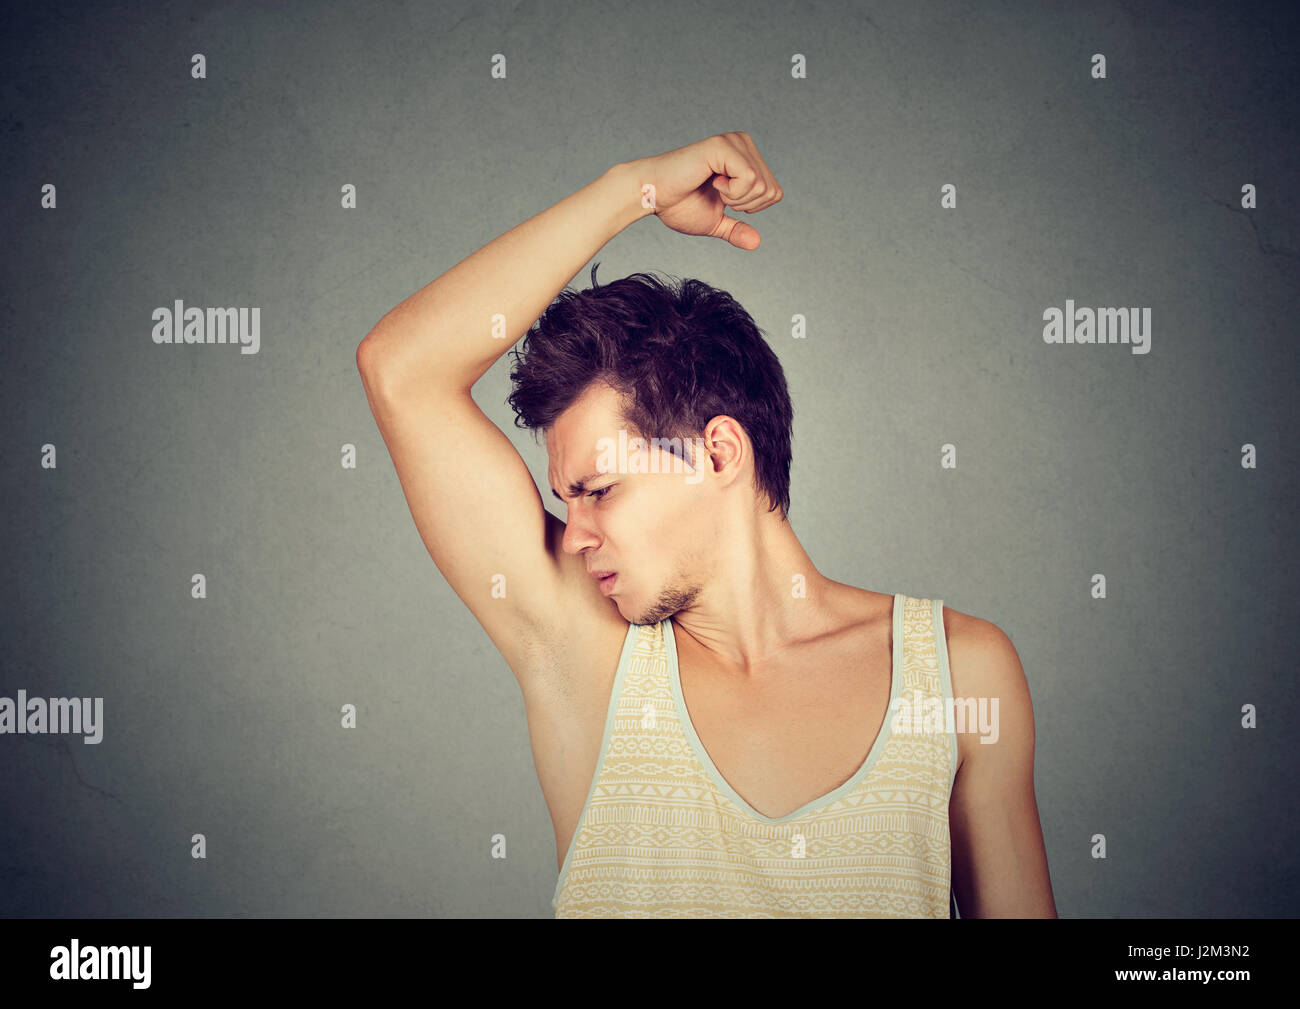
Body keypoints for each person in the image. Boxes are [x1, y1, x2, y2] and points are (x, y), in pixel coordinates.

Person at [356, 132, 1057, 918]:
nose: (574, 530)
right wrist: (635, 188)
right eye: (567, 496)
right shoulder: (587, 651)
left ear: (718, 452)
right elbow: (401, 368)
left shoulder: (959, 674)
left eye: (600, 488)